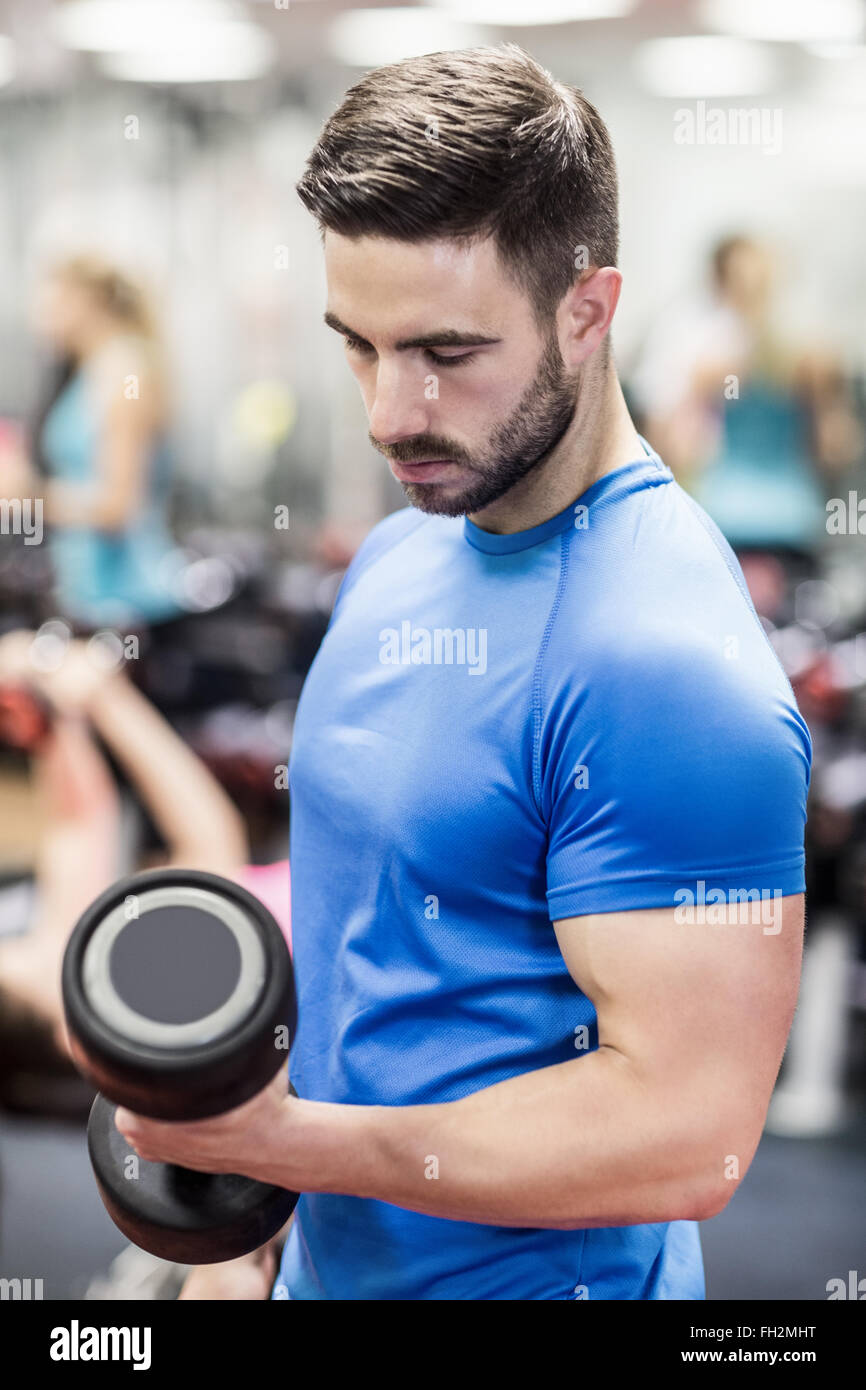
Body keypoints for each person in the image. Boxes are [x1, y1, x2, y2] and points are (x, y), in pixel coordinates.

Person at [109, 44, 811, 1302]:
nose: (388, 412)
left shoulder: (665, 666)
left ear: (586, 311)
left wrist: (299, 1146)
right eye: (358, 347)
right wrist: (261, 1218)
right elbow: (364, 938)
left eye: (443, 351)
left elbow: (685, 1133)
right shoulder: (402, 552)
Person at [0, 629, 290, 1100]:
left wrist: (49, 718)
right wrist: (109, 700)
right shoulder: (125, 1015)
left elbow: (80, 822)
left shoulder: (62, 973)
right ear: (71, 1045)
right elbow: (211, 848)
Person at [632, 235, 859, 557]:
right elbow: (836, 448)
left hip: (750, 514)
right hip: (758, 513)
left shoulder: (808, 363)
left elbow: (835, 447)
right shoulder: (711, 362)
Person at [13, 253, 183, 632]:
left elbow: (117, 506)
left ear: (88, 302)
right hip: (86, 589)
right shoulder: (87, 370)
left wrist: (25, 496)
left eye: (51, 305)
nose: (39, 320)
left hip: (127, 595)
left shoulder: (124, 372)